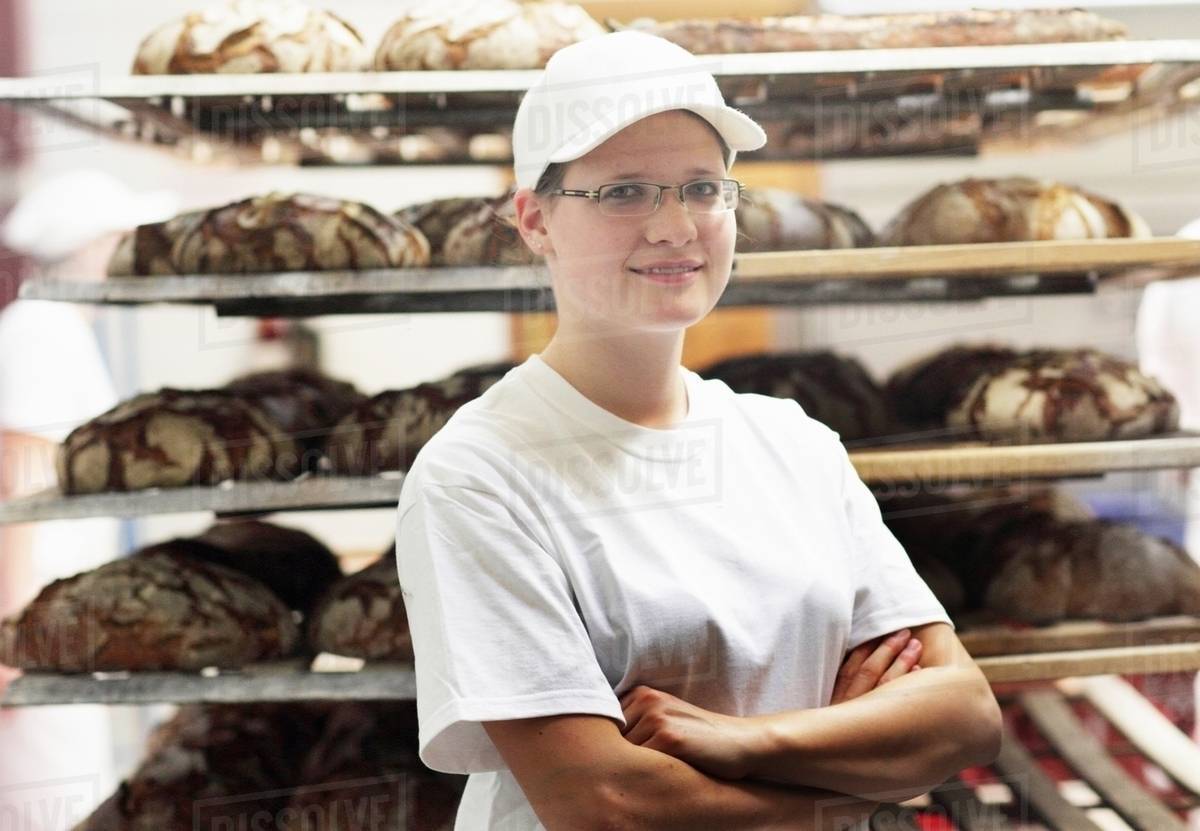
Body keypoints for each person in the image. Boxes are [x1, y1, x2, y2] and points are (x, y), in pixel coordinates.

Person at [396, 32, 1002, 831]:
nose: (676, 227)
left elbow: (963, 713)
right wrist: (860, 778)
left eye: (702, 188)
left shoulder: (793, 442)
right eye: (624, 193)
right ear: (535, 220)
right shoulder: (480, 475)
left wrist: (742, 741)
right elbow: (606, 804)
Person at [0, 169, 176, 828]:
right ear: (91, 245)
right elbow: (13, 479)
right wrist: (12, 636)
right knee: (50, 804)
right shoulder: (41, 331)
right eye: (123, 238)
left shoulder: (57, 326)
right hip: (36, 620)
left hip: (55, 620)